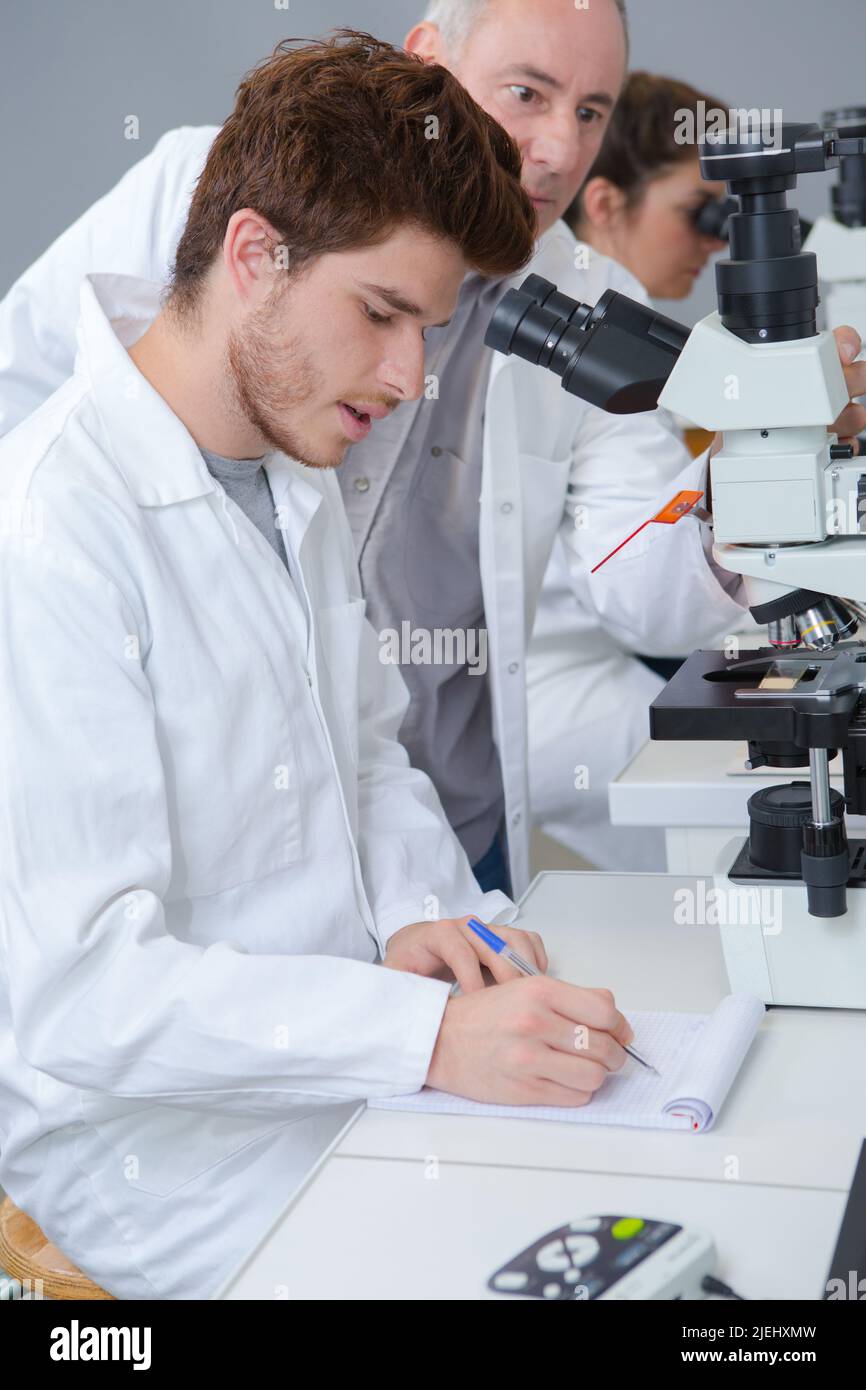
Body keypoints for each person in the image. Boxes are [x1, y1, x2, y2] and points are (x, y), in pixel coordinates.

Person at [0, 33, 636, 1302]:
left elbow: (363, 754)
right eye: (382, 313)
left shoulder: (292, 476)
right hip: (167, 1151)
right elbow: (82, 993)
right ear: (253, 255)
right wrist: (426, 1034)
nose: (407, 377)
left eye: (428, 326)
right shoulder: (49, 533)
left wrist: (440, 926)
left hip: (333, 1068)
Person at [1, 0, 864, 893]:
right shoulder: (225, 186)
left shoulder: (584, 294)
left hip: (440, 821)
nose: (562, 149)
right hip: (233, 837)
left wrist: (751, 472)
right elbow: (31, 395)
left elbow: (633, 578)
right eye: (529, 92)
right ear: (429, 62)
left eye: (592, 112)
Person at [527, 71, 733, 868]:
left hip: (610, 651)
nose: (718, 240)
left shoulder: (647, 350)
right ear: (606, 203)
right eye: (700, 212)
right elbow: (637, 583)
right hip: (549, 683)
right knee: (740, 784)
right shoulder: (568, 344)